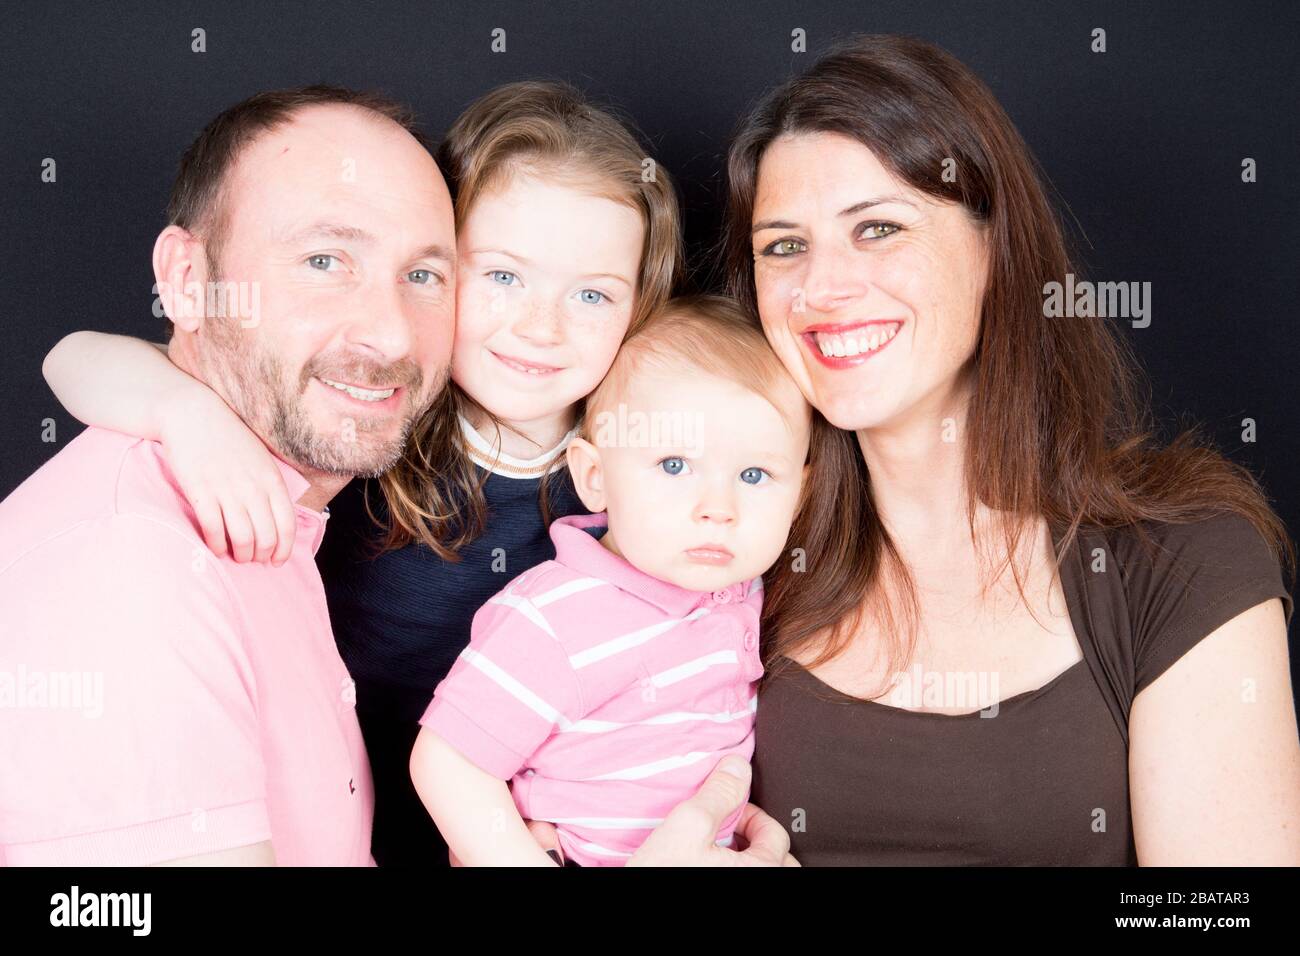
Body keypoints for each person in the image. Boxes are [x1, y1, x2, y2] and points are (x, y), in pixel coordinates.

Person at [722, 33, 1300, 864]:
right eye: (784, 245)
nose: (820, 287)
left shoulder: (1180, 561)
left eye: (879, 227)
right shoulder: (724, 553)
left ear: (996, 250)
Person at [0, 85, 456, 865]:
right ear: (185, 278)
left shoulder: (268, 520)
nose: (388, 332)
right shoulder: (132, 569)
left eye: (423, 275)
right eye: (325, 260)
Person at [411, 296, 811, 865]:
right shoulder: (555, 616)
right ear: (595, 478)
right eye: (674, 465)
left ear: (802, 491)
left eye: (753, 474)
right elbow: (448, 760)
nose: (718, 508)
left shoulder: (746, 591)